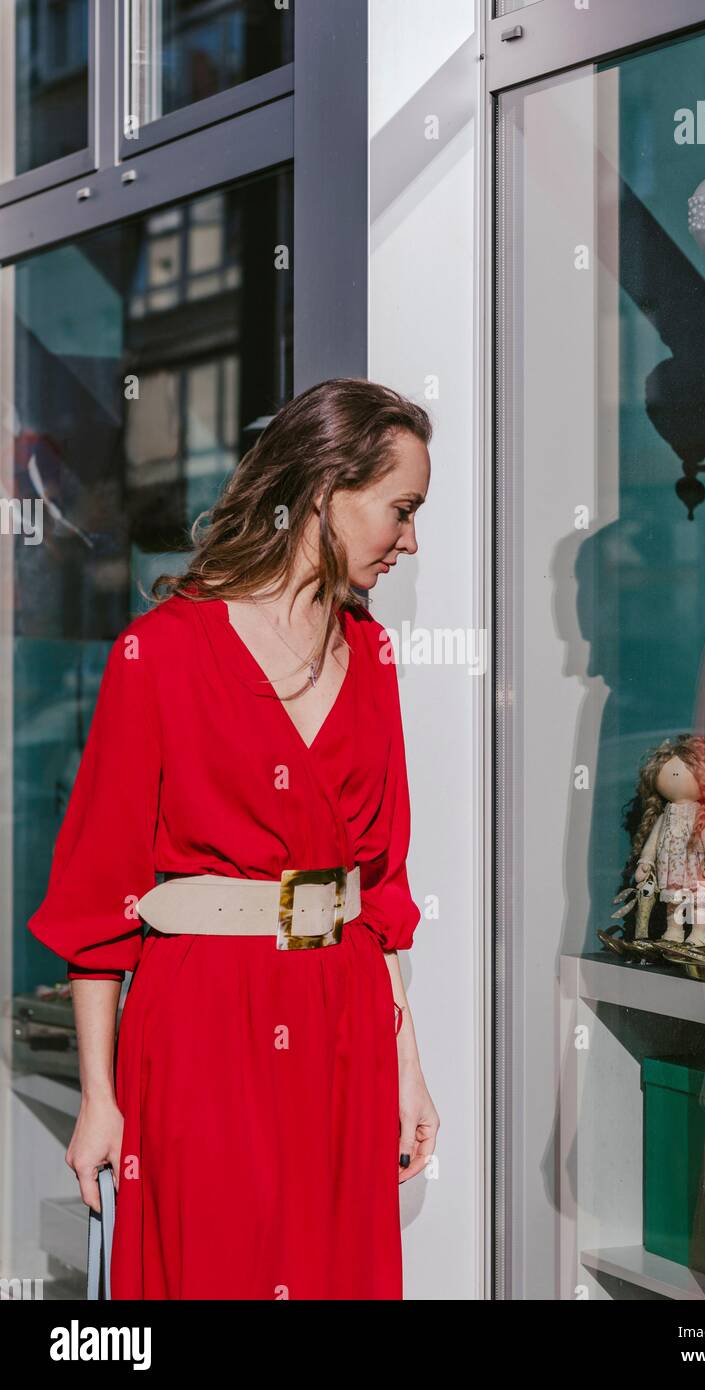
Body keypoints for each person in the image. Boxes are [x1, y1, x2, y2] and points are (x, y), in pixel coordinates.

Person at [27, 377, 439, 1300]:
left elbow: (379, 892)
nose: (412, 539)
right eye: (400, 509)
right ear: (327, 491)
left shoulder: (371, 656)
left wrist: (408, 1068)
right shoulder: (162, 652)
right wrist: (100, 1097)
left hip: (345, 1029)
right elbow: (101, 902)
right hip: (205, 1026)